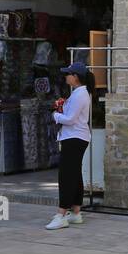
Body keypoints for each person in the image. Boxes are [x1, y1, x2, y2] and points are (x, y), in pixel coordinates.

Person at [45, 62, 93, 231]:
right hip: (76, 137)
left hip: (74, 138)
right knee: (75, 174)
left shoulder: (80, 94)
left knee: (66, 176)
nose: (66, 76)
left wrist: (56, 115)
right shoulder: (79, 93)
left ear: (76, 77)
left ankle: (61, 214)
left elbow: (71, 119)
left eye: (68, 74)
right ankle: (76, 211)